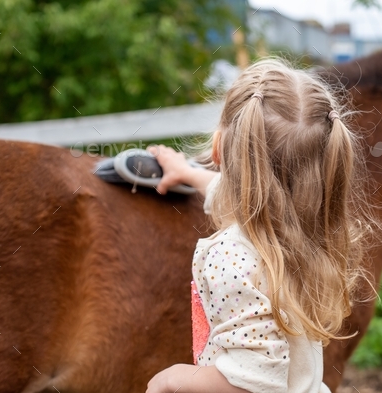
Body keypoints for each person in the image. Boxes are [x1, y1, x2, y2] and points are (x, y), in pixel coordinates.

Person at [145, 59, 370, 393]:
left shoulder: (231, 256)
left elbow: (250, 382)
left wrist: (172, 378)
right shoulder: (305, 232)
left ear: (217, 149)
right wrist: (190, 174)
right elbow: (241, 192)